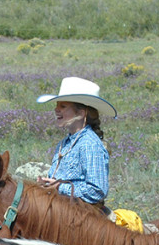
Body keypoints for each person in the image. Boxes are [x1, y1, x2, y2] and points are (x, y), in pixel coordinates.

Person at [35, 77, 116, 208]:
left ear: (81, 113)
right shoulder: (64, 143)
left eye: (63, 106)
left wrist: (59, 187)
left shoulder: (89, 144)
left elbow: (97, 191)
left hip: (83, 217)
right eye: (56, 105)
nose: (56, 109)